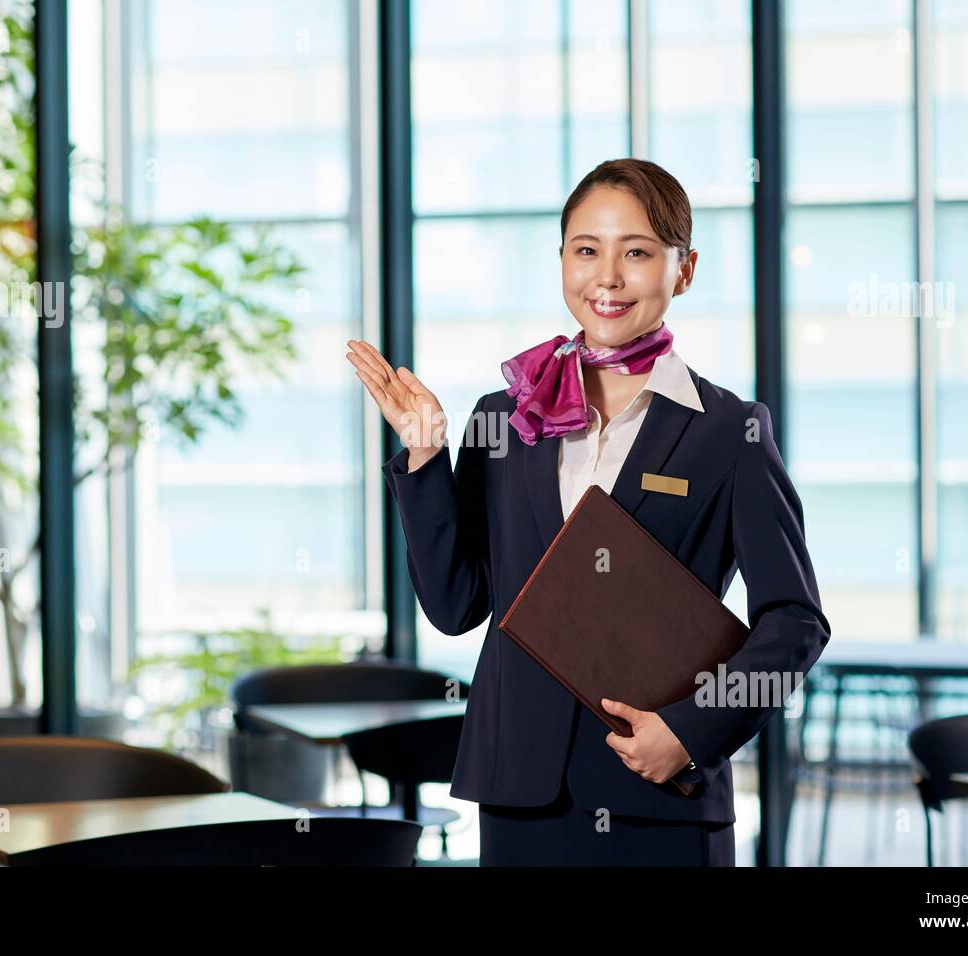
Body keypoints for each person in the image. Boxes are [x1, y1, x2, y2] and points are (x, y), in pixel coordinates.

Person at [346, 158, 831, 866]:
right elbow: (456, 606)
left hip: (663, 793)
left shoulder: (731, 432)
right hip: (520, 794)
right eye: (586, 250)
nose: (607, 277)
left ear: (684, 269)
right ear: (563, 259)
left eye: (636, 252)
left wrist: (691, 732)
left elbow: (795, 620)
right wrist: (426, 459)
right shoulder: (503, 419)